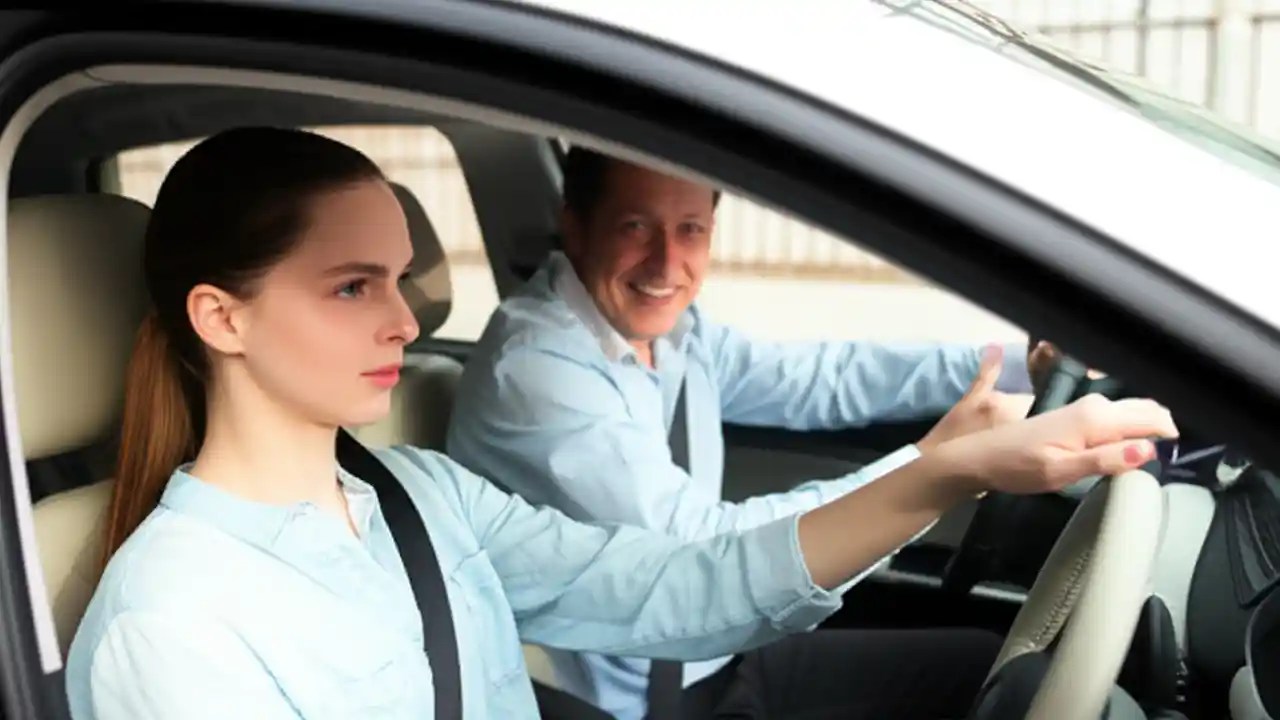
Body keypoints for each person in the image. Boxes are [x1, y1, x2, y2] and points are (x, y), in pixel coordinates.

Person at [64, 127, 1176, 720]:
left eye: (399, 277)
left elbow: (674, 583)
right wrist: (940, 464)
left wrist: (949, 471)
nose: (409, 316)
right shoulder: (170, 626)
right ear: (223, 317)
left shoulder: (414, 494)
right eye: (353, 286)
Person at [445, 147, 1058, 719]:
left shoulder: (675, 334)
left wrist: (1010, 366)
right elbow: (698, 556)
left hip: (717, 652)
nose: (665, 262)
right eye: (635, 226)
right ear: (574, 226)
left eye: (690, 230)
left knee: (990, 667)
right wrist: (931, 468)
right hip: (647, 699)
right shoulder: (536, 369)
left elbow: (817, 379)